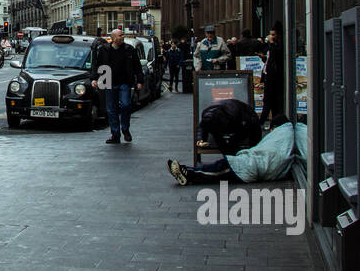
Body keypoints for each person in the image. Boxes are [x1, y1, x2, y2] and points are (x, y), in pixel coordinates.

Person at [168, 117, 298, 185]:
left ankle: (188, 173)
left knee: (218, 171)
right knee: (219, 169)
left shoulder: (283, 134)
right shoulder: (285, 137)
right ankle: (187, 171)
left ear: (275, 127)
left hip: (250, 166)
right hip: (251, 162)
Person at [91, 26, 143, 144]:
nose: (123, 37)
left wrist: (140, 81)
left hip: (124, 82)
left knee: (126, 105)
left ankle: (125, 128)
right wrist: (94, 78)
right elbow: (97, 65)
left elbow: (137, 66)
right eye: (120, 35)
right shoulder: (104, 50)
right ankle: (115, 134)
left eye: (122, 35)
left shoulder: (129, 49)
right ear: (114, 38)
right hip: (109, 82)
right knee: (111, 110)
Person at [260, 25, 284, 127]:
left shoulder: (278, 45)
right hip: (268, 75)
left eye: (273, 35)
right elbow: (270, 58)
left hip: (274, 78)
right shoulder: (272, 46)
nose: (271, 36)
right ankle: (273, 124)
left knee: (269, 102)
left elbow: (276, 55)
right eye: (270, 34)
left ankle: (260, 123)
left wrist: (271, 43)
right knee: (271, 102)